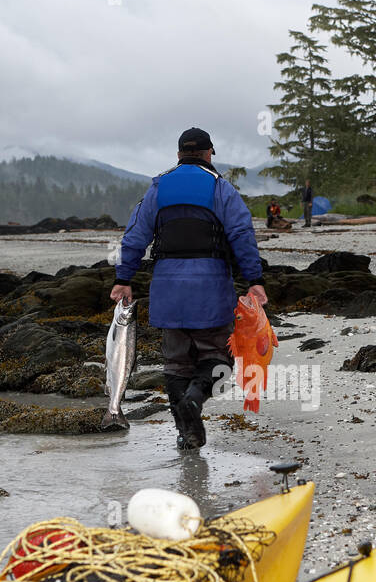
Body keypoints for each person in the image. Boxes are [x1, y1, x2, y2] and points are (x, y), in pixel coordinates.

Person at [111, 127, 269, 450]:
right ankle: (195, 399)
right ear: (210, 153)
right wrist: (255, 280)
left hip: (168, 293)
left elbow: (134, 237)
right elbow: (242, 235)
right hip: (210, 291)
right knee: (220, 362)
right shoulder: (220, 189)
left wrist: (123, 279)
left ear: (179, 154)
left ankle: (187, 433)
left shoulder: (158, 188)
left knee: (176, 365)